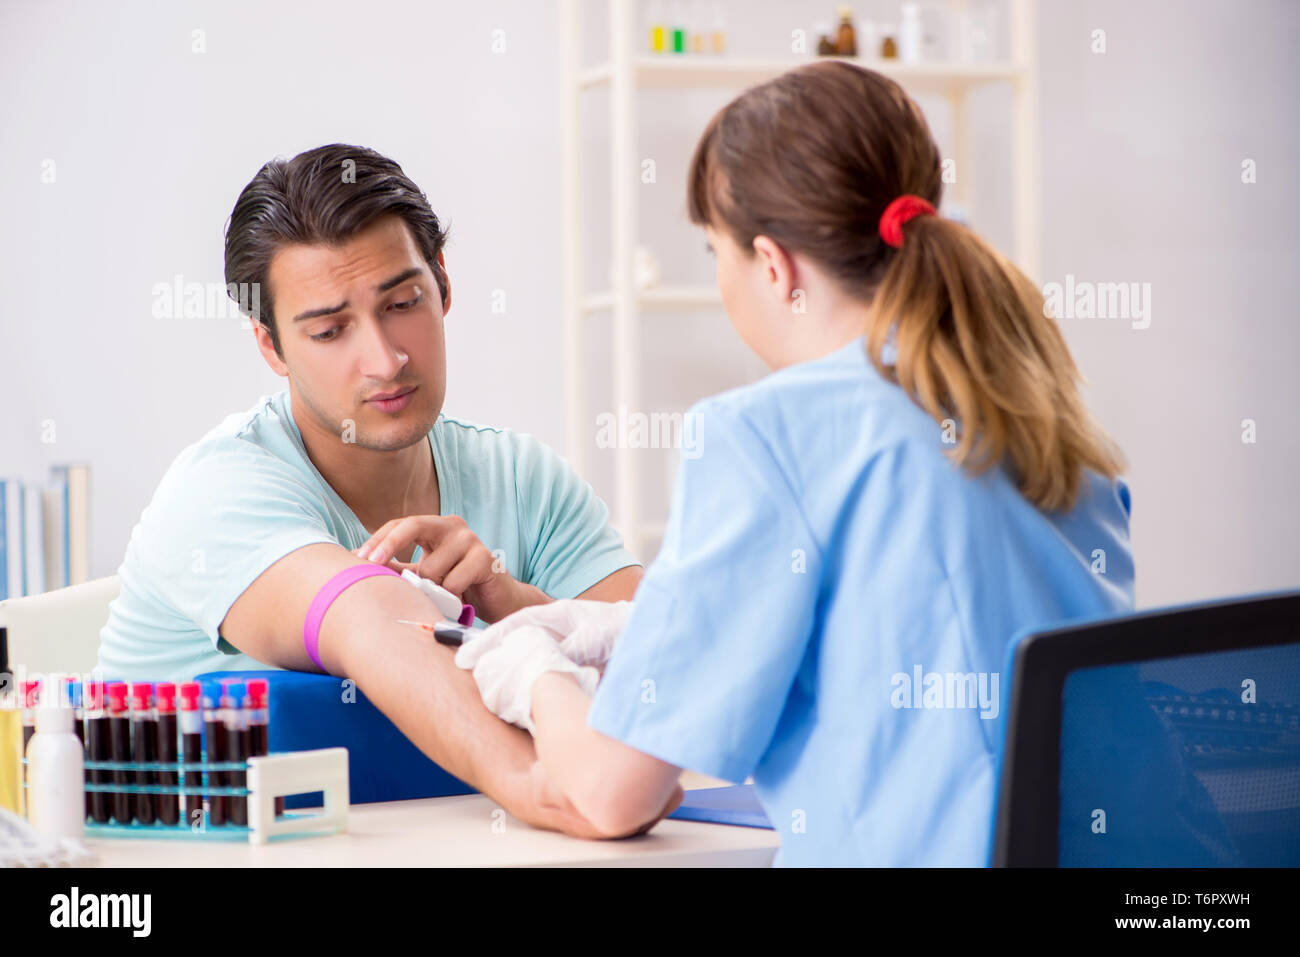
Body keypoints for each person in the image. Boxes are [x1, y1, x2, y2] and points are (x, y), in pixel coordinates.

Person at [455, 62, 1136, 865]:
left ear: (773, 265)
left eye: (716, 251)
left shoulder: (763, 434)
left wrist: (535, 674)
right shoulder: (1037, 414)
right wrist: (654, 631)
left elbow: (610, 793)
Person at [94, 144, 650, 837]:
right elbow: (372, 621)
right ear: (271, 346)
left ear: (443, 283)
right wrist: (559, 788)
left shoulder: (520, 477)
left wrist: (517, 607)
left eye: (403, 302)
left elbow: (672, 655)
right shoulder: (218, 492)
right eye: (329, 330)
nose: (386, 359)